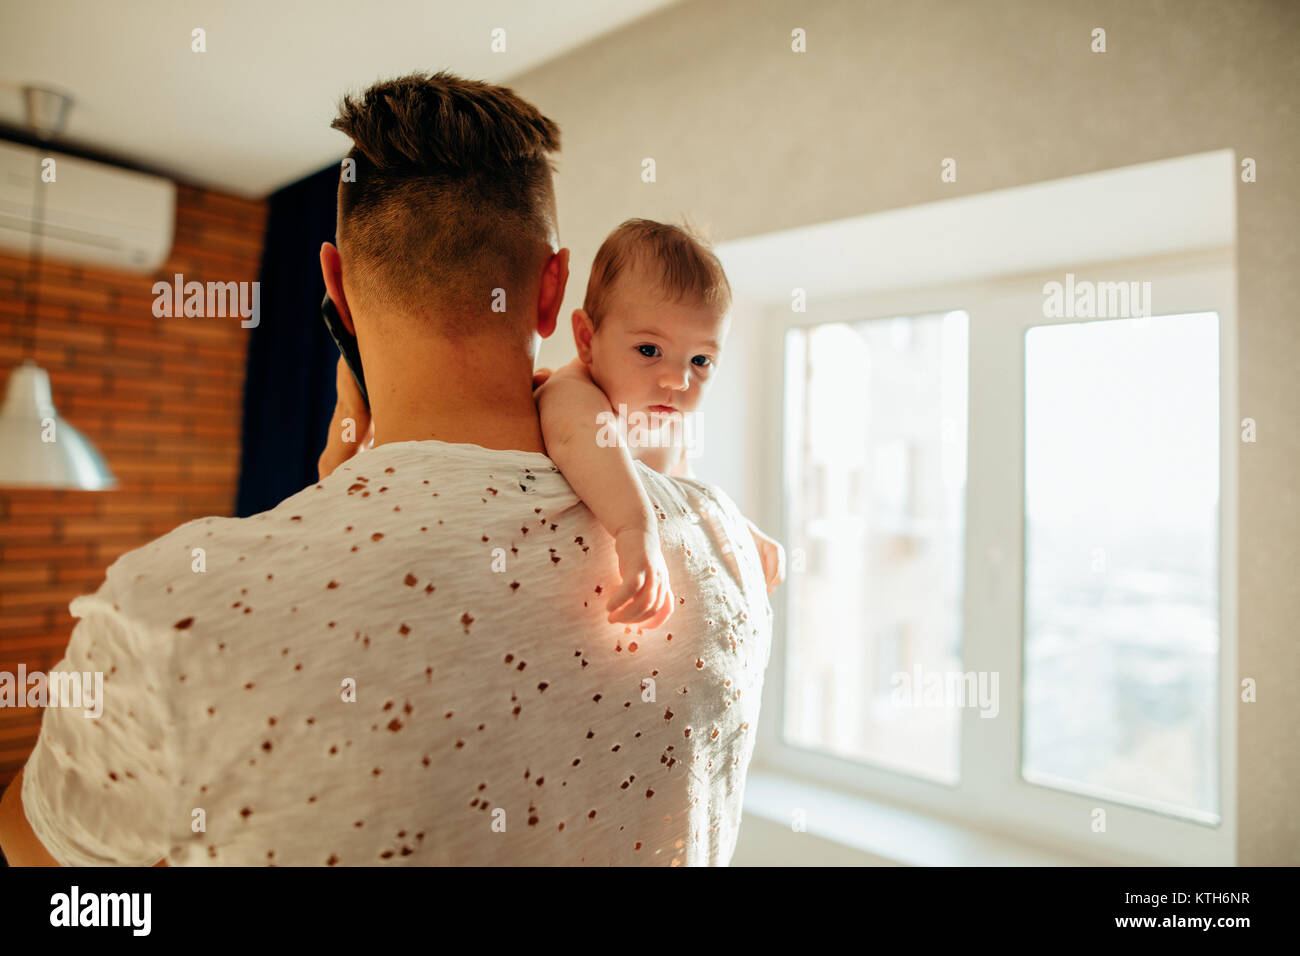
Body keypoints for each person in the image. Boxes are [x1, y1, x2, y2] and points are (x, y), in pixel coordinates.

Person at [0, 70, 773, 866]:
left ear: (336, 287)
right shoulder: (729, 547)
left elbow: (41, 863)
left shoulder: (168, 612)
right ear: (551, 294)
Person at [535, 217, 785, 628]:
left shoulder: (669, 423)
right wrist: (636, 532)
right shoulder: (573, 392)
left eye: (700, 360)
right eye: (649, 349)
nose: (678, 380)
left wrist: (737, 532)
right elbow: (581, 440)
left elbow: (683, 492)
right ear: (586, 340)